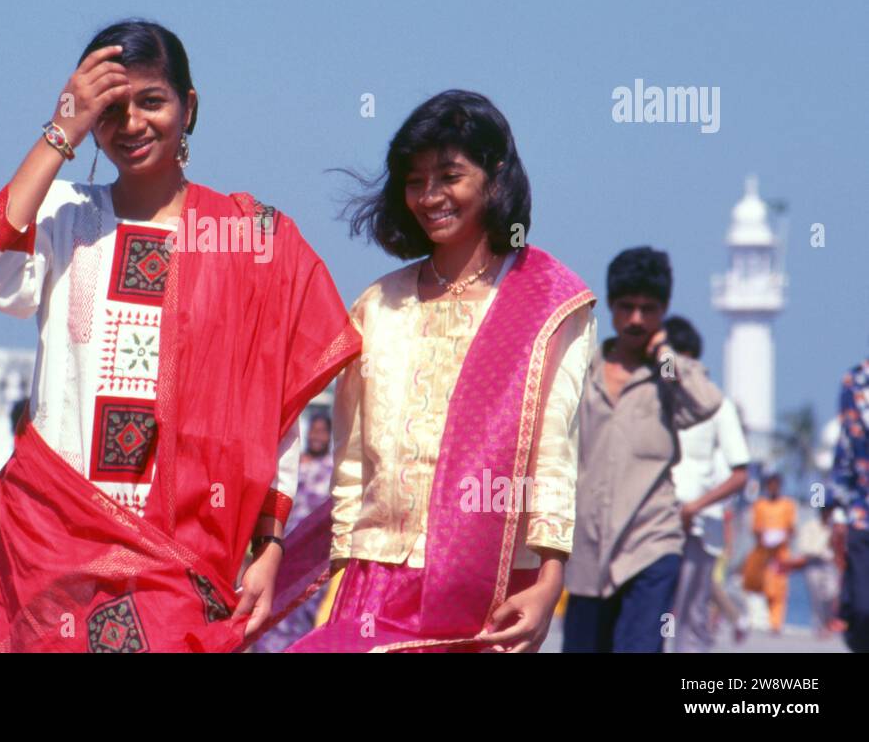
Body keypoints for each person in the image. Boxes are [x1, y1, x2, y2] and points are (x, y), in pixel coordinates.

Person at [0, 20, 360, 652]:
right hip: (52, 545)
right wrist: (63, 129)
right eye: (110, 108)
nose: (132, 123)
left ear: (189, 107)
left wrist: (270, 543)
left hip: (182, 560)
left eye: (152, 102)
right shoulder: (63, 214)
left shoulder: (251, 241)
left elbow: (273, 414)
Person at [272, 89, 597, 653]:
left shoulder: (546, 300)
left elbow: (554, 450)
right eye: (415, 180)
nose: (430, 197)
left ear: (495, 177)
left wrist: (549, 580)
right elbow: (353, 456)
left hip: (489, 580)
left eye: (449, 176)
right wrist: (347, 567)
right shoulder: (379, 304)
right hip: (375, 578)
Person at [563, 247, 723, 653]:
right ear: (612, 308)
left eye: (648, 309)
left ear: (663, 311)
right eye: (626, 307)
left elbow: (705, 402)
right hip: (588, 548)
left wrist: (664, 354)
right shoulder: (584, 369)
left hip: (651, 541)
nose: (636, 319)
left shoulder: (667, 377)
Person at [662, 316, 750, 652]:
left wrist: (695, 507)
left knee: (691, 620)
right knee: (646, 614)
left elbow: (740, 473)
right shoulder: (655, 401)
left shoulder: (719, 406)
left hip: (698, 527)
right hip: (654, 522)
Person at [251, 412, 335, 652]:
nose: (317, 436)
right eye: (314, 430)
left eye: (323, 431)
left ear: (329, 436)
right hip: (277, 552)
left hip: (312, 561)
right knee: (270, 611)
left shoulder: (331, 471)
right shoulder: (294, 466)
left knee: (301, 612)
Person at [832, 357, 869, 651]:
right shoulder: (856, 381)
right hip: (862, 513)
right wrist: (836, 510)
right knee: (862, 609)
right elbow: (845, 448)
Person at [743, 473, 796, 634]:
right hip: (762, 552)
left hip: (781, 553)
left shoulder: (788, 505)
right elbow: (755, 527)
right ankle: (759, 619)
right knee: (760, 584)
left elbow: (791, 528)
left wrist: (781, 538)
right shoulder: (760, 505)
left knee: (779, 588)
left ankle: (776, 623)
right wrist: (764, 539)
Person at [784, 503, 844, 638]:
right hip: (812, 564)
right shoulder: (810, 526)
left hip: (828, 565)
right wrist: (819, 550)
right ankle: (820, 627)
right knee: (816, 597)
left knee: (831, 593)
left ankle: (828, 622)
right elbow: (804, 548)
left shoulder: (834, 528)